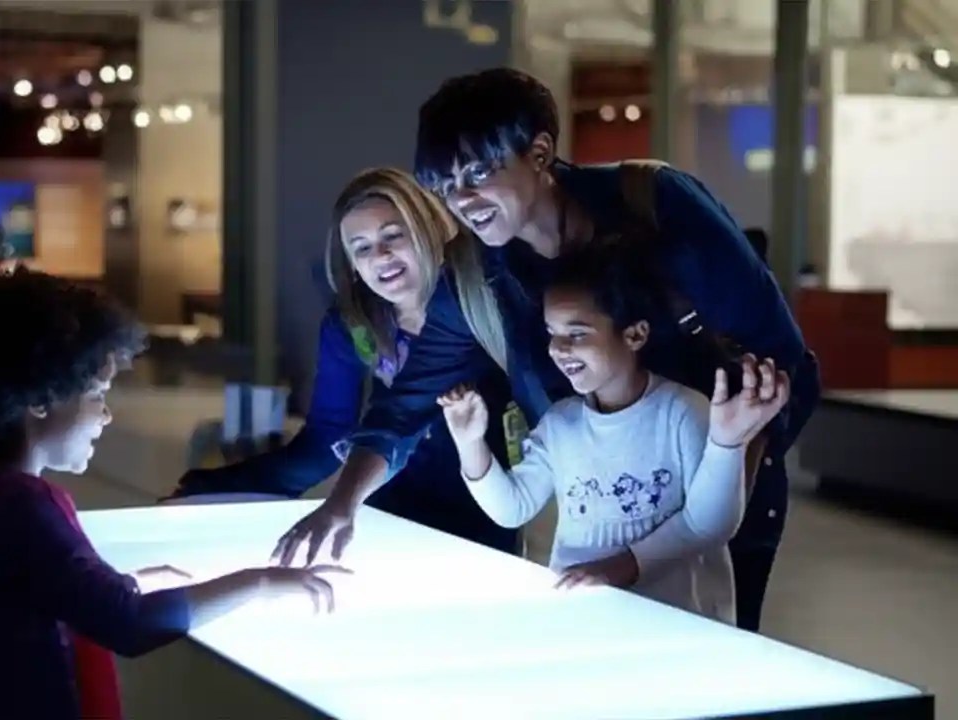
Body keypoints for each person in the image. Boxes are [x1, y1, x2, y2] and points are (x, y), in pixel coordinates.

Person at [273, 68, 819, 633]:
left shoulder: (655, 205)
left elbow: (773, 352)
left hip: (722, 465)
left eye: (479, 173)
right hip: (598, 501)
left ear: (539, 153)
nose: (463, 199)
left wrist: (722, 479)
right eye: (445, 184)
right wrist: (342, 503)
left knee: (713, 648)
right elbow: (404, 404)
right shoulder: (475, 273)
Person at [0, 270, 346, 720]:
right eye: (96, 394)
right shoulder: (25, 503)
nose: (107, 414)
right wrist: (260, 581)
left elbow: (18, 590)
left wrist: (111, 579)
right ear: (39, 398)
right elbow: (129, 623)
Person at [171, 167, 519, 553]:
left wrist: (341, 501)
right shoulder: (351, 324)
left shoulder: (477, 304)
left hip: (485, 511)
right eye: (362, 247)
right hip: (386, 513)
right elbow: (326, 439)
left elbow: (403, 415)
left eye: (393, 236)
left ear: (429, 229)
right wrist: (214, 488)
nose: (381, 256)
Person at [438, 244, 789, 623]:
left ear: (635, 335)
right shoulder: (561, 424)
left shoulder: (682, 411)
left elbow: (709, 525)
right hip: (586, 618)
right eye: (552, 332)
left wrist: (727, 443)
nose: (558, 348)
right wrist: (469, 442)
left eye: (578, 333)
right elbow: (512, 508)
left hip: (675, 624)